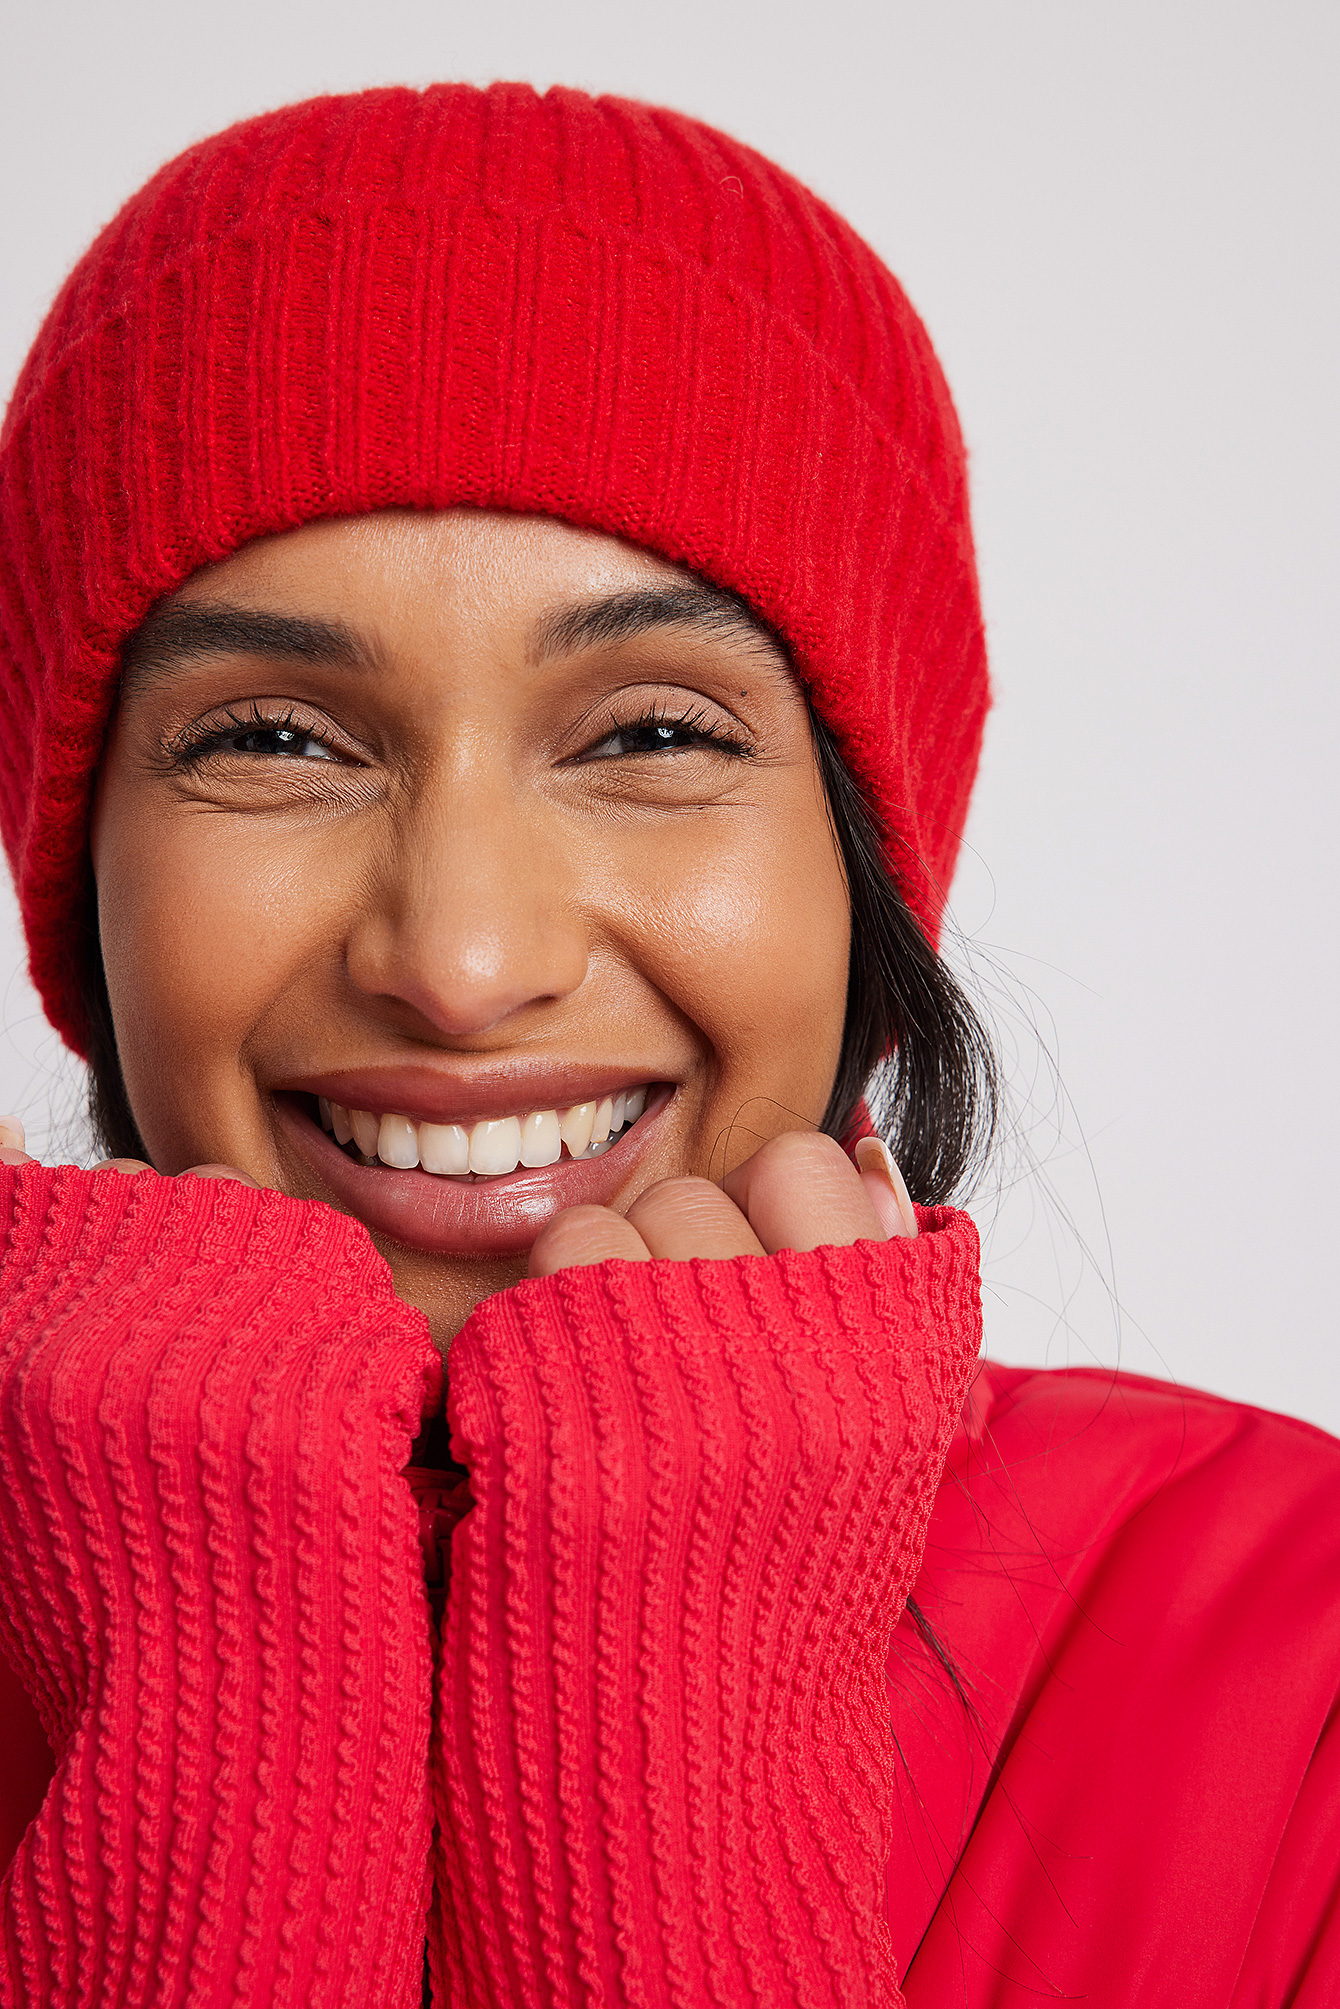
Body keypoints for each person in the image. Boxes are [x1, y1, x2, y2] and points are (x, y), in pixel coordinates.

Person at [0, 82, 1334, 2009]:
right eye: (276, 740)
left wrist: (667, 1773)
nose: (459, 962)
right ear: (85, 881)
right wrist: (210, 1729)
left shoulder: (1298, 1661)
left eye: (651, 735)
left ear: (867, 871)